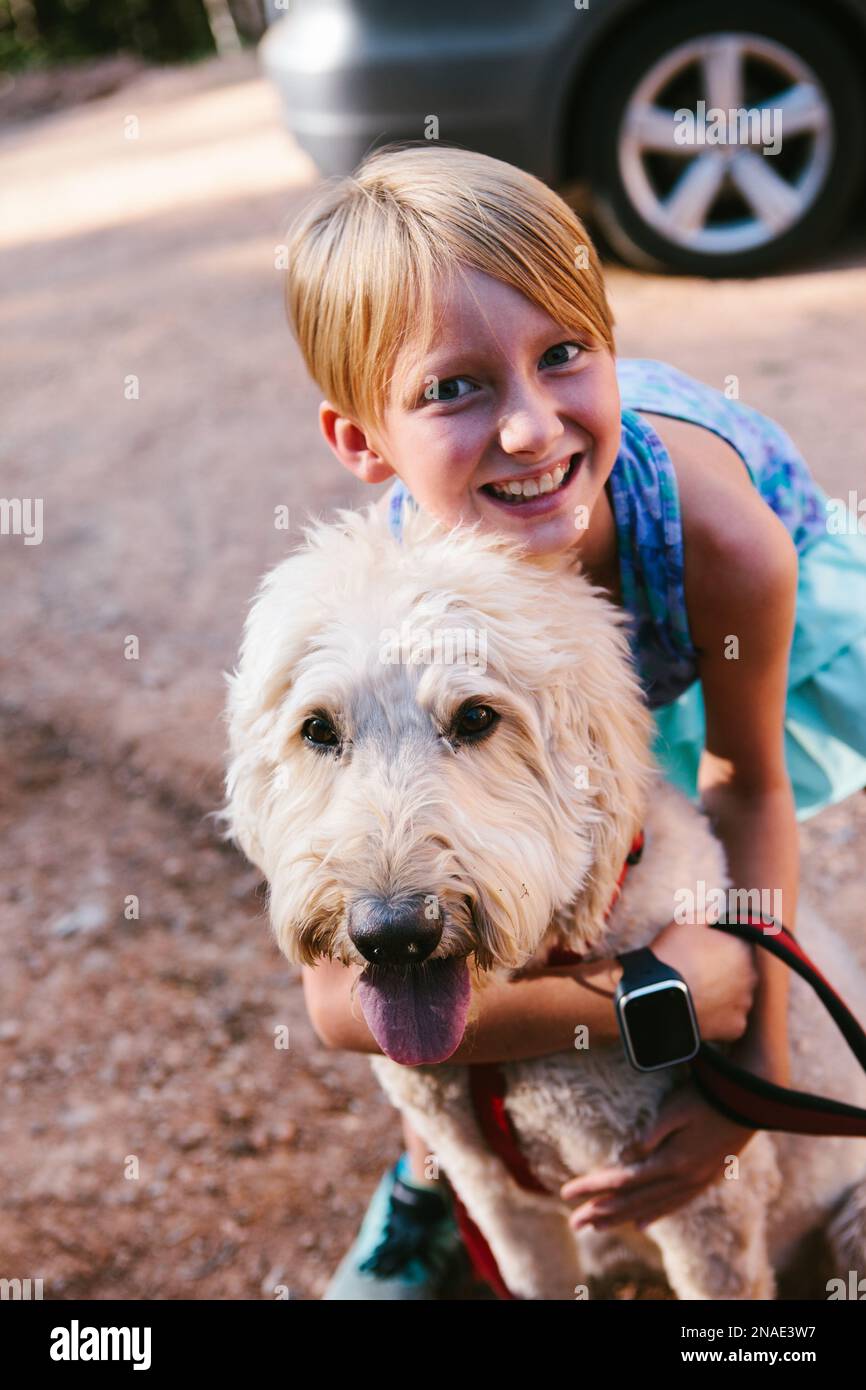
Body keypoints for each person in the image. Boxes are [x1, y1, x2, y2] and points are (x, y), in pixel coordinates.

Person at [281, 142, 866, 1299]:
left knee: (685, 874)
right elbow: (338, 1006)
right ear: (361, 442)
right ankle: (438, 1170)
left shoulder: (725, 545)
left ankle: (799, 1136)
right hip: (505, 649)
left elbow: (742, 783)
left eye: (563, 356)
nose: (532, 429)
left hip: (688, 623)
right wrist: (660, 998)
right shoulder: (388, 600)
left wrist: (739, 1087)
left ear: (608, 347)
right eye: (452, 388)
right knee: (458, 879)